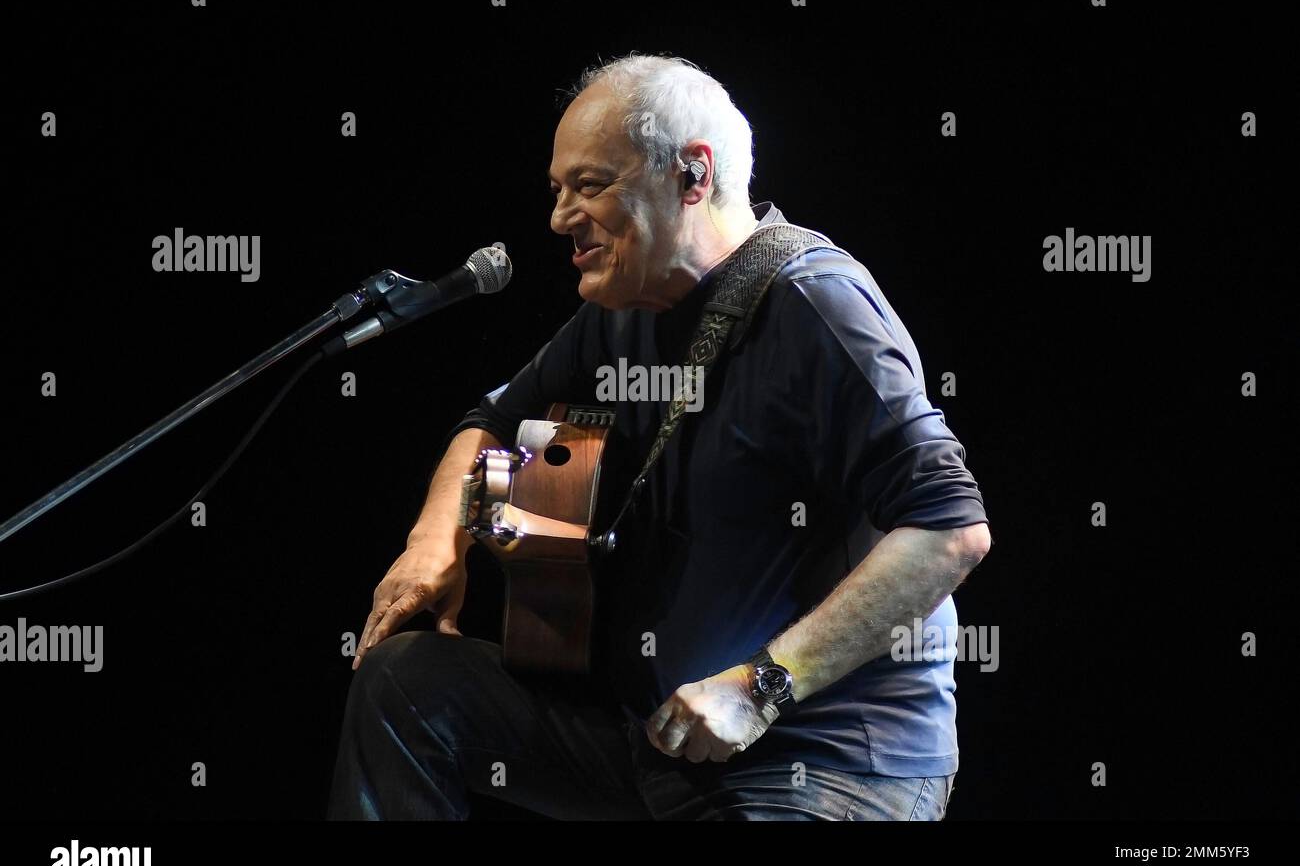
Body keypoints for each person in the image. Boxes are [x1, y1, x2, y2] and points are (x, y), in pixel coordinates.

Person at [328, 53, 992, 821]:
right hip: (655, 744)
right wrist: (435, 542)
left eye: (590, 185)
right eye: (557, 191)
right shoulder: (621, 309)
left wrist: (762, 686)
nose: (559, 218)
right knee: (407, 681)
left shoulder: (818, 306)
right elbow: (491, 422)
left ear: (692, 175)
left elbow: (951, 532)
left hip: (825, 765)